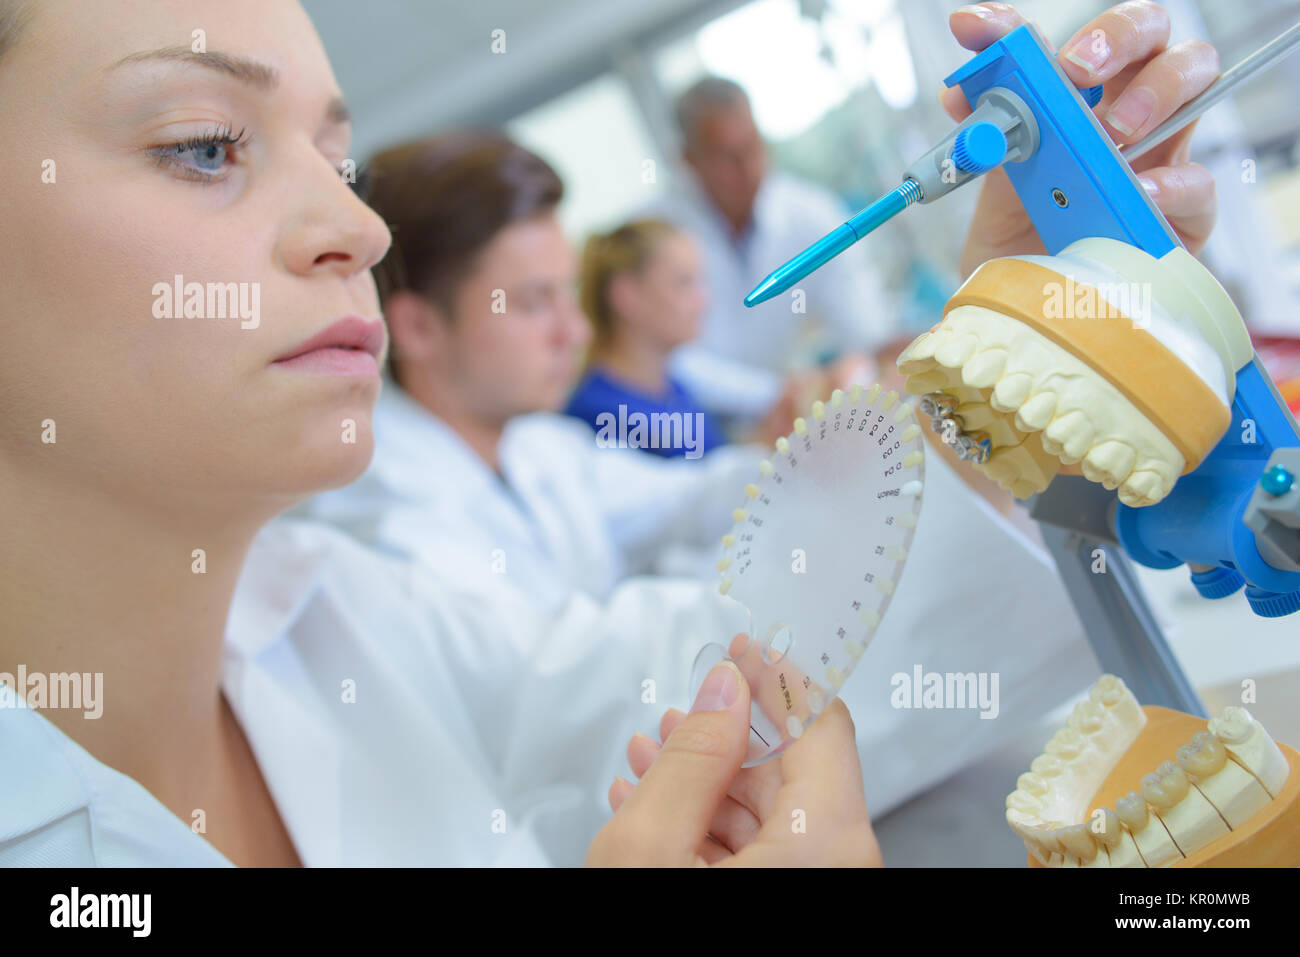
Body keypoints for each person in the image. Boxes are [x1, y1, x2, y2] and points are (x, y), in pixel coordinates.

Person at [0, 0, 877, 868]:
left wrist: (965, 400)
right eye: (203, 145)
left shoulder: (348, 614)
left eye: (342, 170)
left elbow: (665, 665)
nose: (363, 229)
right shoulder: (386, 535)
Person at [292, 134, 765, 610]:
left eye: (569, 292)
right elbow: (558, 660)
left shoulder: (536, 443)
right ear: (417, 327)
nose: (576, 331)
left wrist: (808, 457)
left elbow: (686, 501)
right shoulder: (383, 518)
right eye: (536, 302)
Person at [644, 75, 894, 423]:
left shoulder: (810, 213)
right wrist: (771, 395)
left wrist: (853, 370)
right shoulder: (655, 233)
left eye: (752, 147)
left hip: (786, 411)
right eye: (726, 158)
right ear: (689, 160)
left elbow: (866, 331)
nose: (747, 169)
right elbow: (663, 354)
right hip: (694, 421)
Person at [565, 218, 728, 459]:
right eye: (684, 283)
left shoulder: (676, 389)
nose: (704, 301)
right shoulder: (598, 412)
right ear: (627, 295)